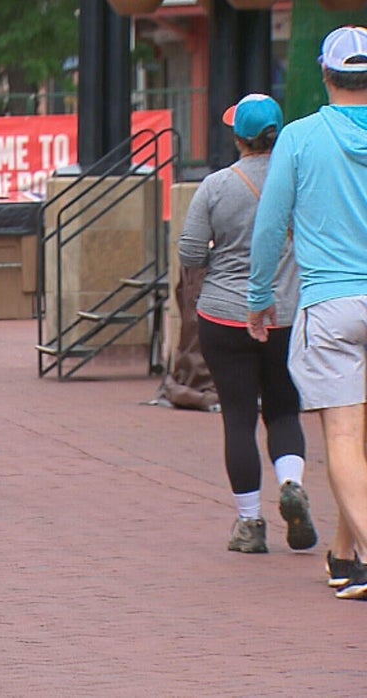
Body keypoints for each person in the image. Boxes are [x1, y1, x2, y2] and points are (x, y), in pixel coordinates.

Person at [247, 25, 367, 599]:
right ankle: (345, 559)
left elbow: (270, 226)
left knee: (343, 441)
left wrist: (258, 295)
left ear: (325, 73)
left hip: (331, 302)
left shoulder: (299, 138)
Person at [179, 93, 313, 555]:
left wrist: (225, 256)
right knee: (283, 409)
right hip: (288, 314)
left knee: (238, 417)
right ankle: (292, 483)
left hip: (225, 315)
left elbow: (190, 254)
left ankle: (250, 522)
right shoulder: (301, 181)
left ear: (237, 137)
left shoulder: (216, 186)